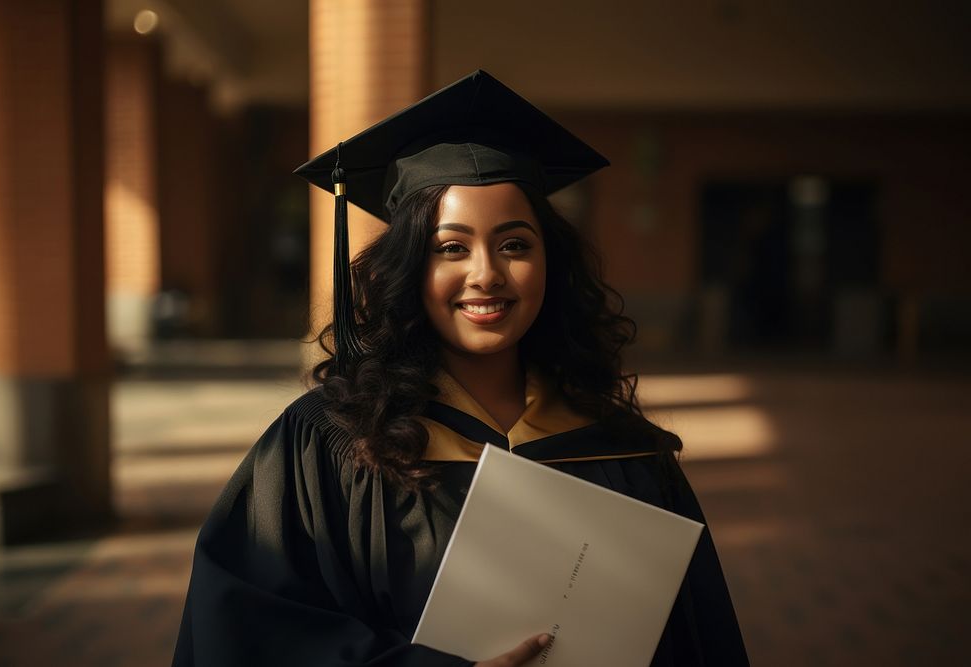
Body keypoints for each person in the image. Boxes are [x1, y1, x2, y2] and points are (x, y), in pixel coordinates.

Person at [172, 70, 748, 666]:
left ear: (551, 263)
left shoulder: (624, 451)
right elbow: (247, 632)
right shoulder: (330, 443)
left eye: (515, 244)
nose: (486, 274)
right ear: (409, 267)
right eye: (451, 247)